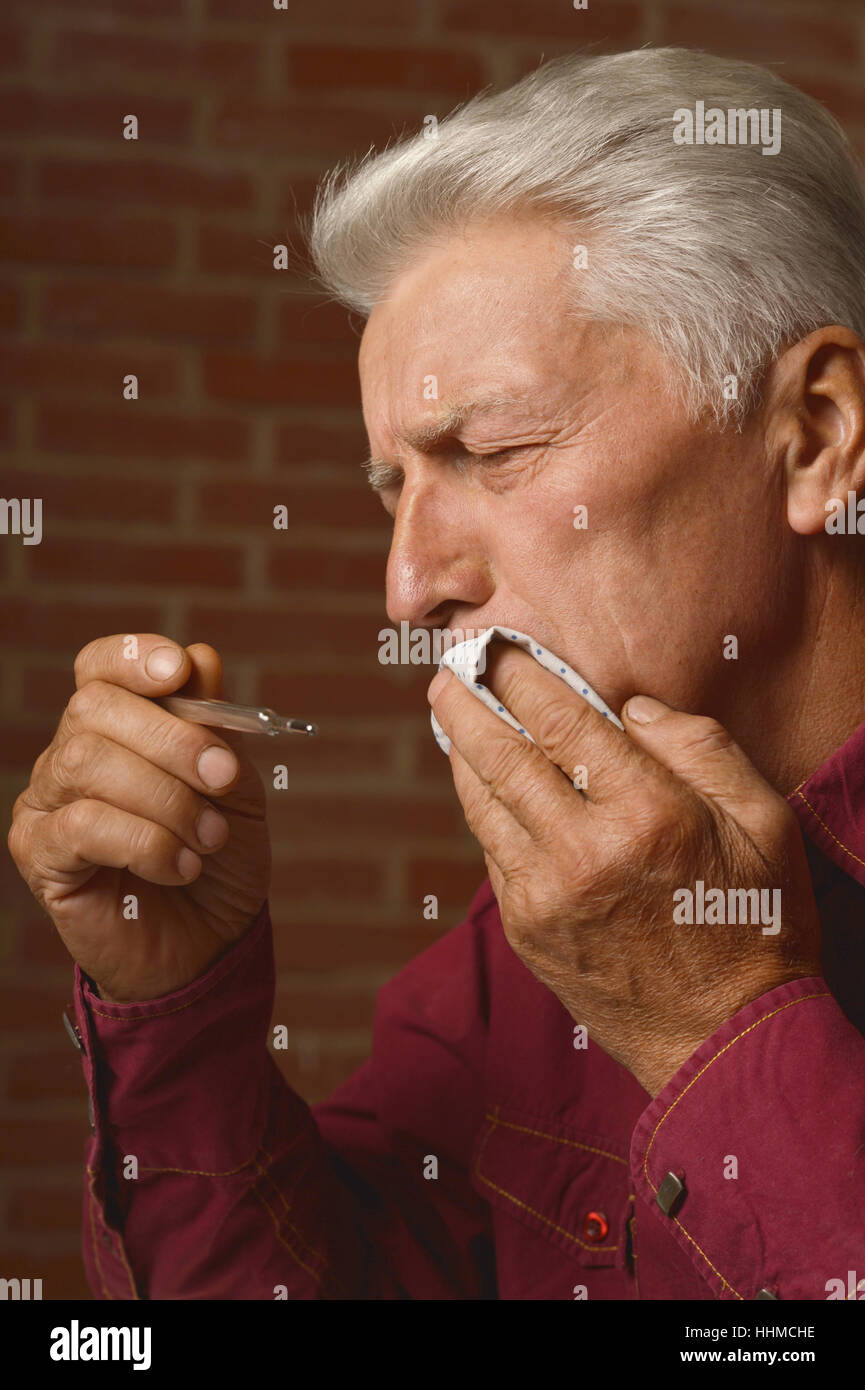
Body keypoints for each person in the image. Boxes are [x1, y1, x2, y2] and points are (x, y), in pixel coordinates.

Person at [9, 46, 865, 1300]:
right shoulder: (545, 932)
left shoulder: (619, 931)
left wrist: (712, 1028)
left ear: (818, 435)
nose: (407, 588)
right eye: (393, 487)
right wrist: (180, 1010)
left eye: (495, 447)